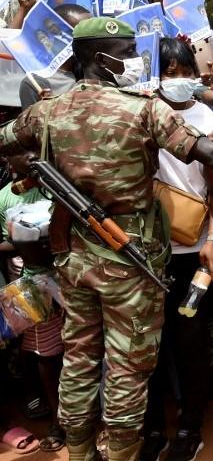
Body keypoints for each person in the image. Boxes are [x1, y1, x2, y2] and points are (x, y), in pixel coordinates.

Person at [0, 17, 213, 461]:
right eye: (127, 50)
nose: (135, 59)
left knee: (79, 358)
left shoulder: (47, 110)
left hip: (74, 253)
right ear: (98, 57)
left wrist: (32, 162)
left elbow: (7, 141)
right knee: (129, 367)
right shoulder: (142, 109)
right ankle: (124, 453)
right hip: (129, 255)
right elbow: (210, 154)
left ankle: (79, 451)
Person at [141, 38, 213, 461]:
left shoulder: (209, 120)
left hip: (194, 252)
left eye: (182, 72)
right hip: (144, 255)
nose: (176, 81)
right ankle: (152, 428)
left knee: (190, 339)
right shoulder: (138, 113)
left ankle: (191, 426)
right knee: (148, 346)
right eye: (168, 72)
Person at [0, 152, 64, 452]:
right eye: (20, 156)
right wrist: (27, 240)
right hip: (32, 284)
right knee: (44, 354)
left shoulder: (59, 186)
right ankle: (56, 420)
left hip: (70, 277)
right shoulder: (4, 198)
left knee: (75, 348)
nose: (29, 160)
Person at [12, 0, 91, 107]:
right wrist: (23, 9)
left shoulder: (90, 72)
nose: (92, 39)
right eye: (84, 32)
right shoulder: (36, 84)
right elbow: (12, 46)